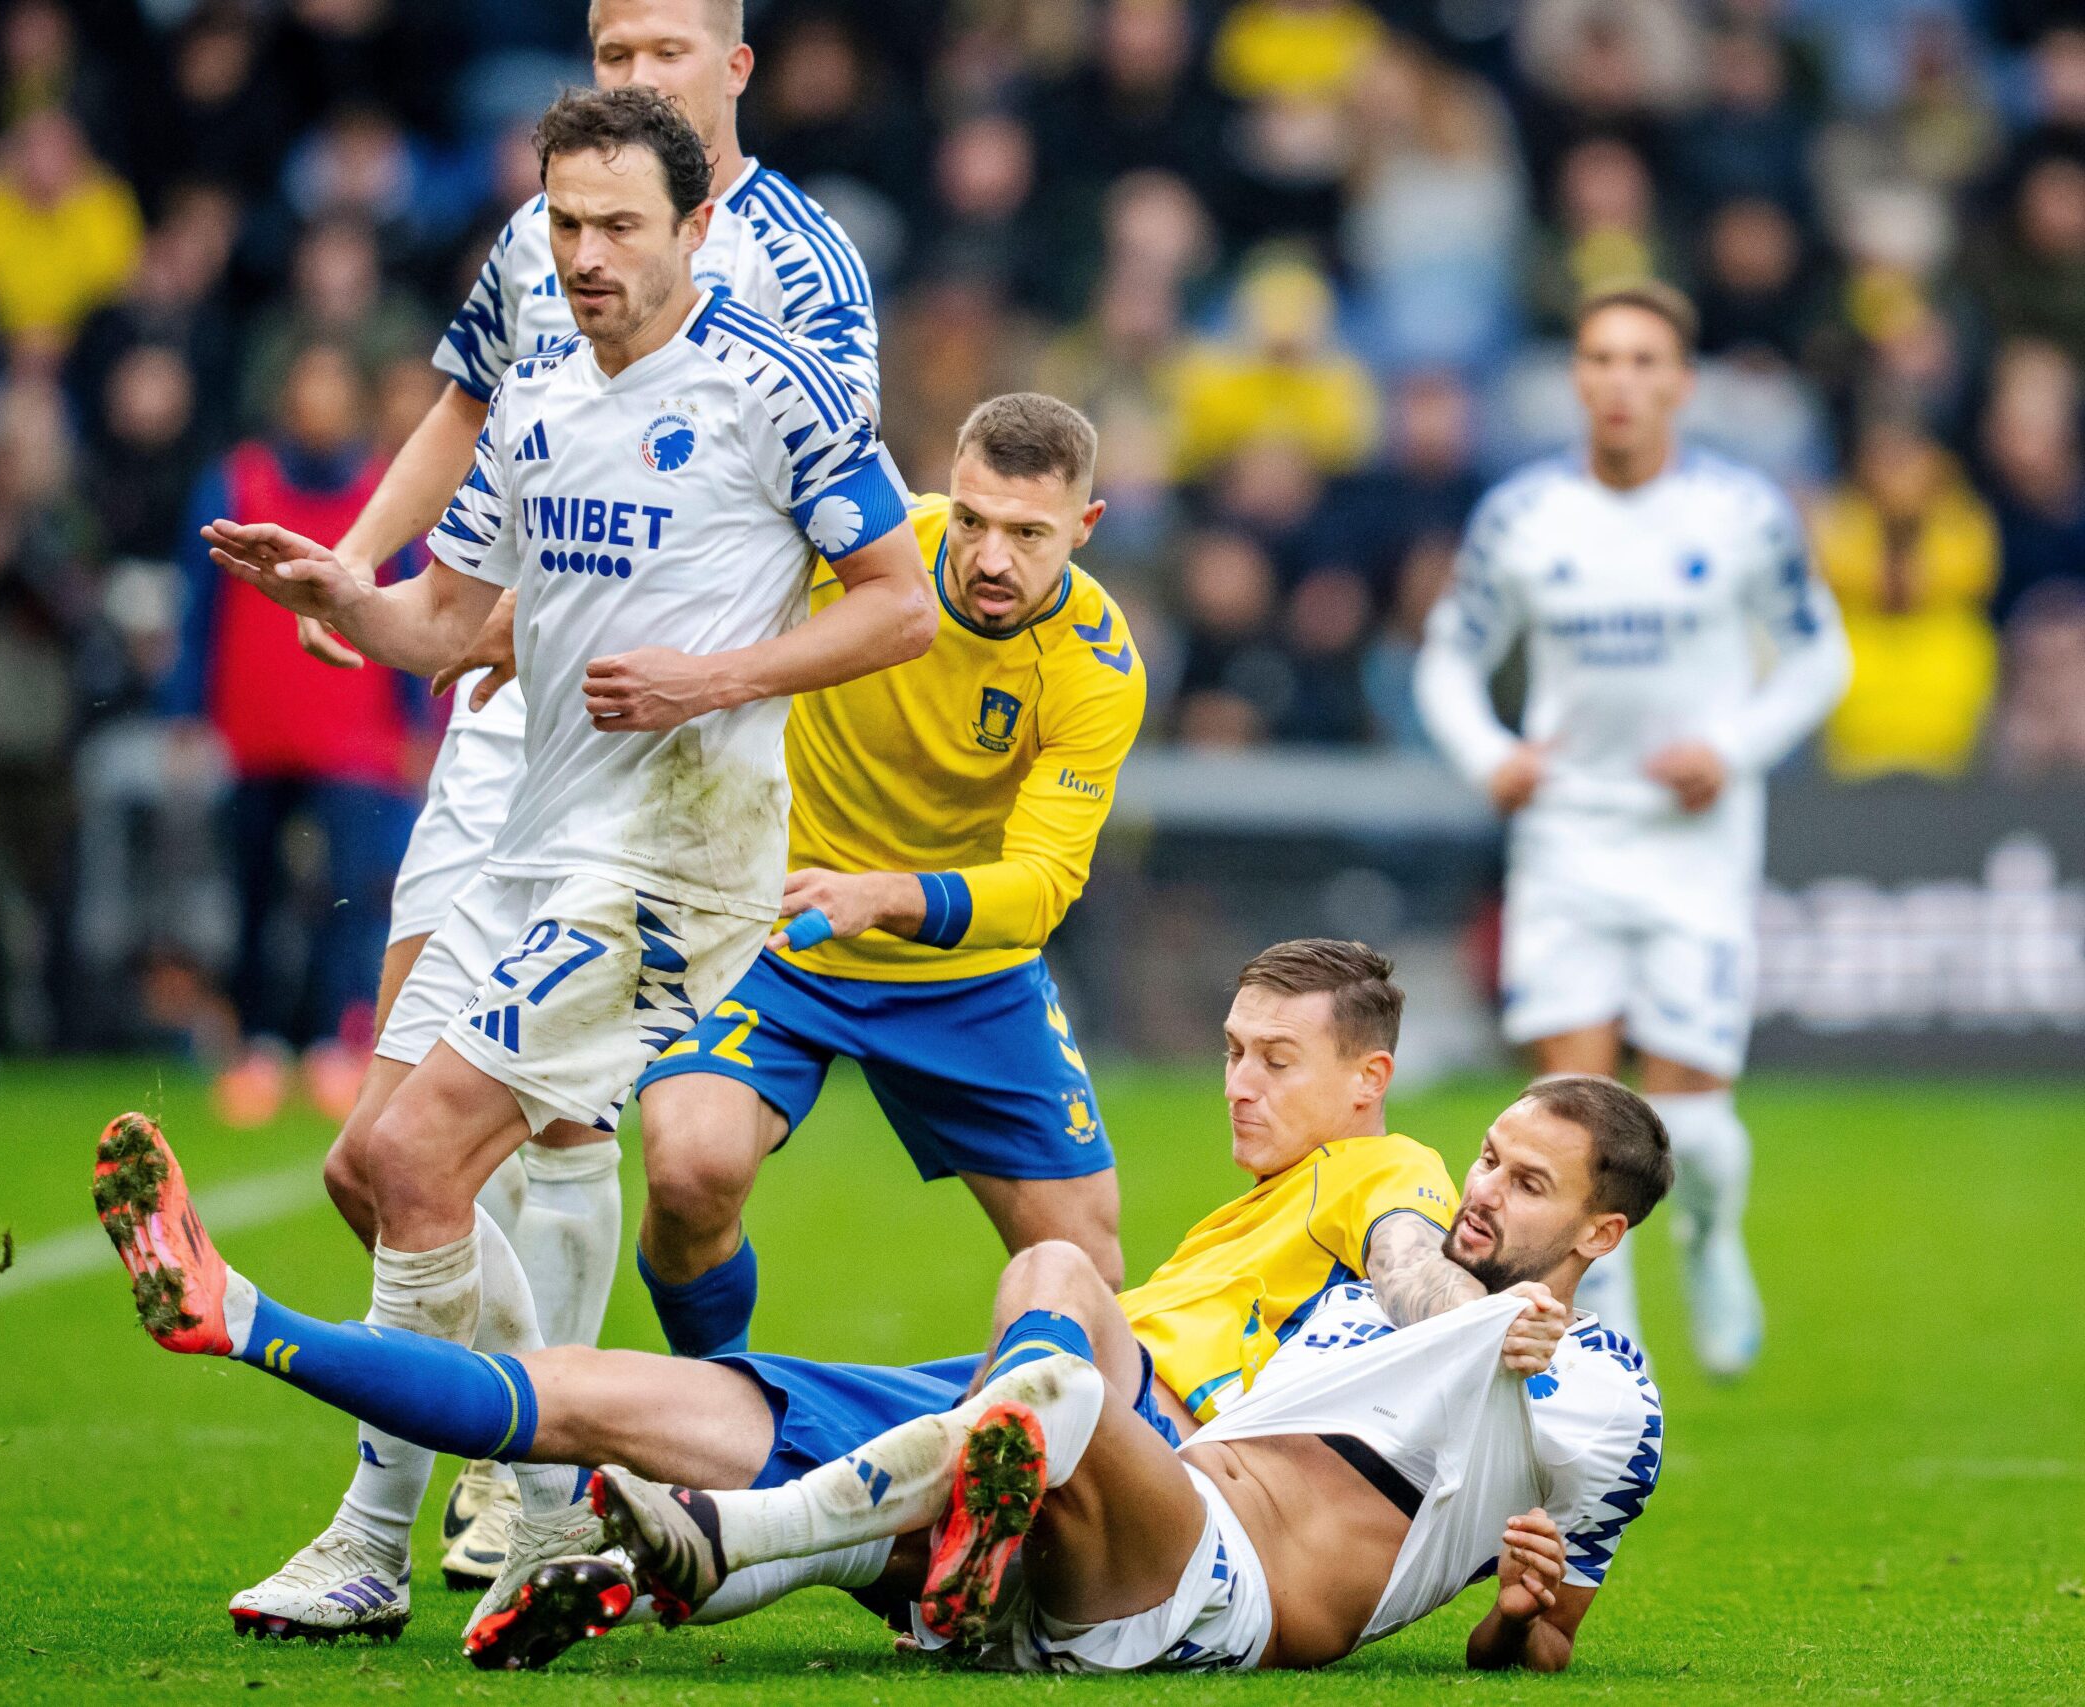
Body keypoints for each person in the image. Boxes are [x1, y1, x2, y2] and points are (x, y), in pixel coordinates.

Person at [193, 85, 927, 1640]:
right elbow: (450, 628)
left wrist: (713, 679)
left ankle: (374, 1544)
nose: (587, 255)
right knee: (362, 1169)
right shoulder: (532, 397)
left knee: (411, 1162)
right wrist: (341, 586)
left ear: (697, 227)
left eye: (620, 226)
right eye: (566, 224)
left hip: (678, 863)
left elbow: (900, 605)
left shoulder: (773, 388)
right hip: (536, 845)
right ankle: (563, 1491)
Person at [90, 940, 1555, 1663]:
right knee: (600, 1396)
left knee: (1060, 1271)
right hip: (984, 1397)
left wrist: (1477, 1309)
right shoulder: (1258, 1198)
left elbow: (1417, 1259)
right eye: (1233, 1048)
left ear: (1366, 1080)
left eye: (1276, 1059)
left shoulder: (1382, 1162)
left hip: (1137, 1452)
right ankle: (243, 1320)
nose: (1240, 1080)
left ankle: (841, 1529)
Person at [598, 1073, 1668, 1676]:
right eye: (1486, 1157)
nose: (1481, 1192)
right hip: (1160, 1513)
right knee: (1054, 1271)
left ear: (1602, 1230)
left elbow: (1537, 1647)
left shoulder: (1607, 1390)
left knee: (1056, 1398)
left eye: (1528, 1184)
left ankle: (744, 1536)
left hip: (1224, 1600)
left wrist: (1521, 1614)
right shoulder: (1364, 1299)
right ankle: (672, 1578)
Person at [631, 391, 1143, 1364]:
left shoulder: (1094, 668)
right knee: (690, 1168)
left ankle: (1015, 1472)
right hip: (769, 931)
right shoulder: (858, 549)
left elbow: (1039, 890)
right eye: (974, 520)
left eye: (1029, 534)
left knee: (1087, 1266)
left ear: (1085, 527)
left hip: (961, 973)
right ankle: (713, 1402)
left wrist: (882, 895)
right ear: (945, 489)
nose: (991, 558)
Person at [1412, 280, 1850, 1378]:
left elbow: (1818, 656)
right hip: (1567, 837)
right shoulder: (1522, 516)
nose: (1620, 381)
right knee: (1576, 1125)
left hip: (1692, 843)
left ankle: (1706, 1238)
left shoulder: (1740, 514)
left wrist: (1732, 748)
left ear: (1682, 383)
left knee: (1691, 1124)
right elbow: (1447, 655)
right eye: (1600, 359)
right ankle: (1616, 1352)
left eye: (1644, 361)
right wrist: (1490, 755)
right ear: (1576, 379)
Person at [160, 343, 422, 1100]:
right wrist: (185, 711)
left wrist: (412, 724)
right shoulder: (238, 480)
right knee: (255, 891)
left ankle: (336, 1040)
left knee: (350, 889)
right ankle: (257, 1041)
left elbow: (406, 602)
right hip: (255, 726)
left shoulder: (382, 490)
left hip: (354, 730)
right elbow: (198, 605)